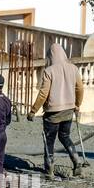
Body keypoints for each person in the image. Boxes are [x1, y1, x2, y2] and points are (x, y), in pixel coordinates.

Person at [27, 42, 84, 180]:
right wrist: (77, 104)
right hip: (68, 110)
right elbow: (80, 88)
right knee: (65, 136)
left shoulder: (49, 71)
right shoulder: (73, 69)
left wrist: (33, 110)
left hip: (53, 112)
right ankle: (76, 161)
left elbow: (43, 94)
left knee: (49, 140)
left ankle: (49, 170)